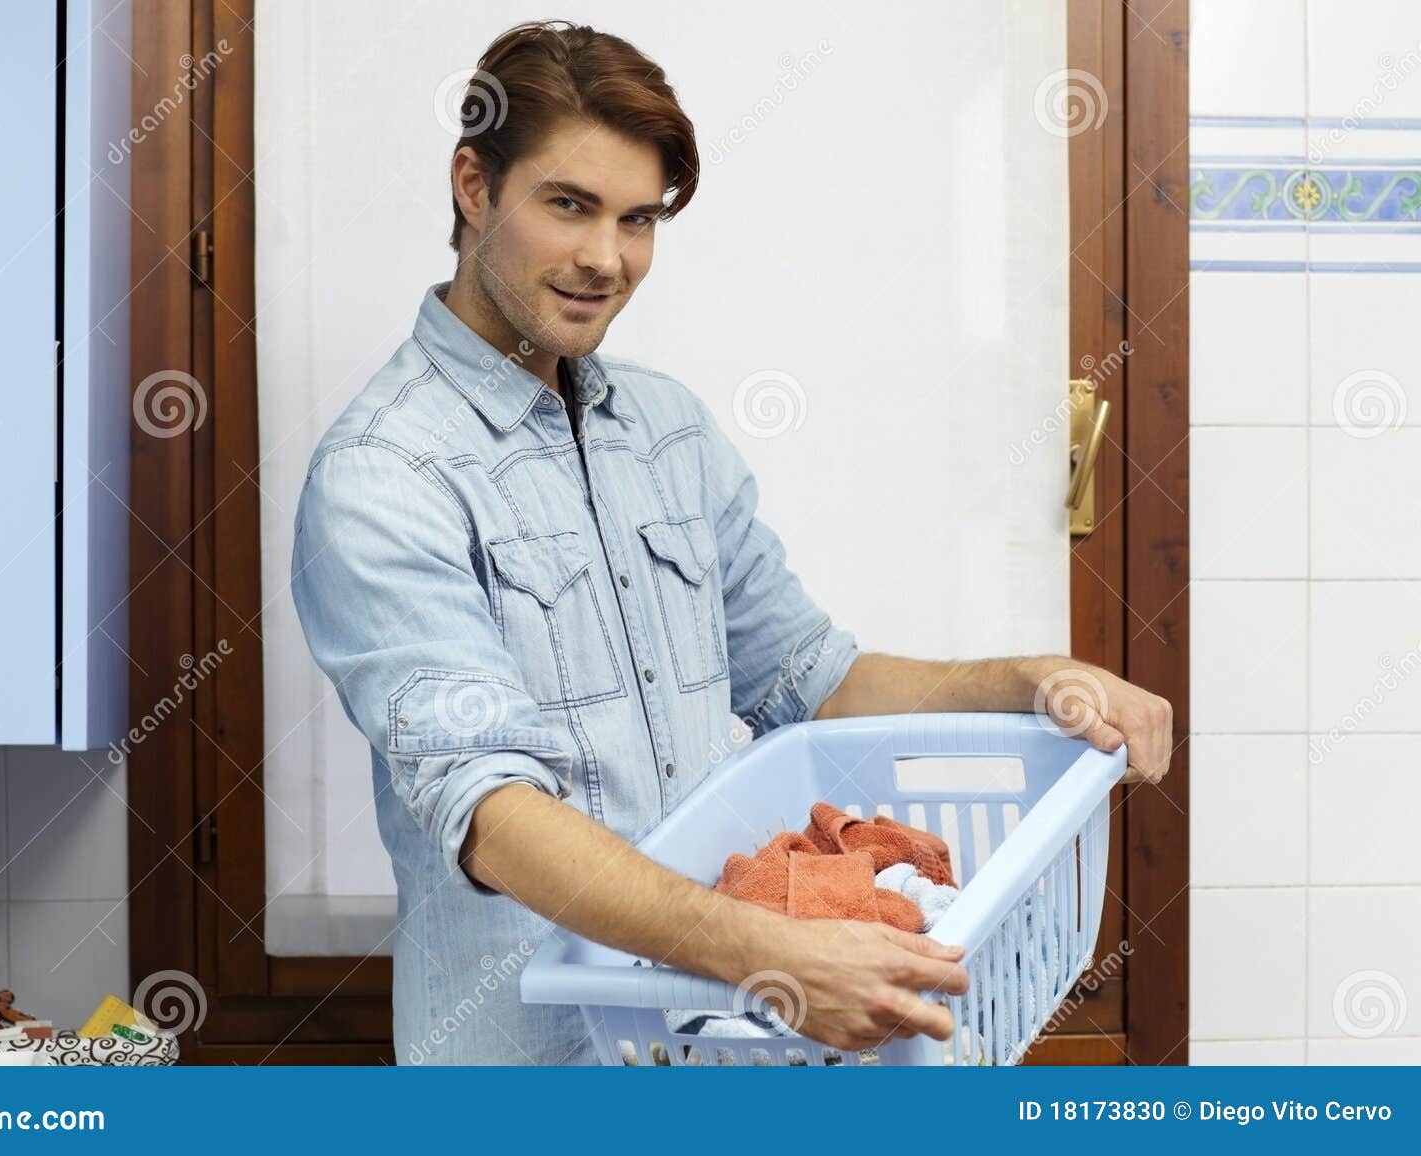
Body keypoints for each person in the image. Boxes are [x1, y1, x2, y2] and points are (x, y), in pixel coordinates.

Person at [290, 19, 1173, 1065]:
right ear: (474, 185)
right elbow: (491, 811)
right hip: (533, 1069)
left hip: (724, 1052)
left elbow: (812, 678)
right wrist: (769, 954)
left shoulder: (666, 432)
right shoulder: (384, 473)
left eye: (637, 219)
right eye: (566, 205)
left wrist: (1028, 678)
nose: (604, 258)